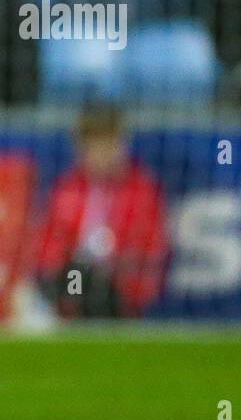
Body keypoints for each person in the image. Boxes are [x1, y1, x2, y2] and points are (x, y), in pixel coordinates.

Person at [34, 106, 169, 319]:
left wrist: (116, 262)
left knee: (97, 287)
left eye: (109, 146)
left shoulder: (142, 189)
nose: (102, 155)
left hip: (121, 286)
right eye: (94, 147)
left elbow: (152, 246)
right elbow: (48, 246)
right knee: (76, 278)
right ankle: (62, 312)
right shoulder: (66, 189)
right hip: (75, 280)